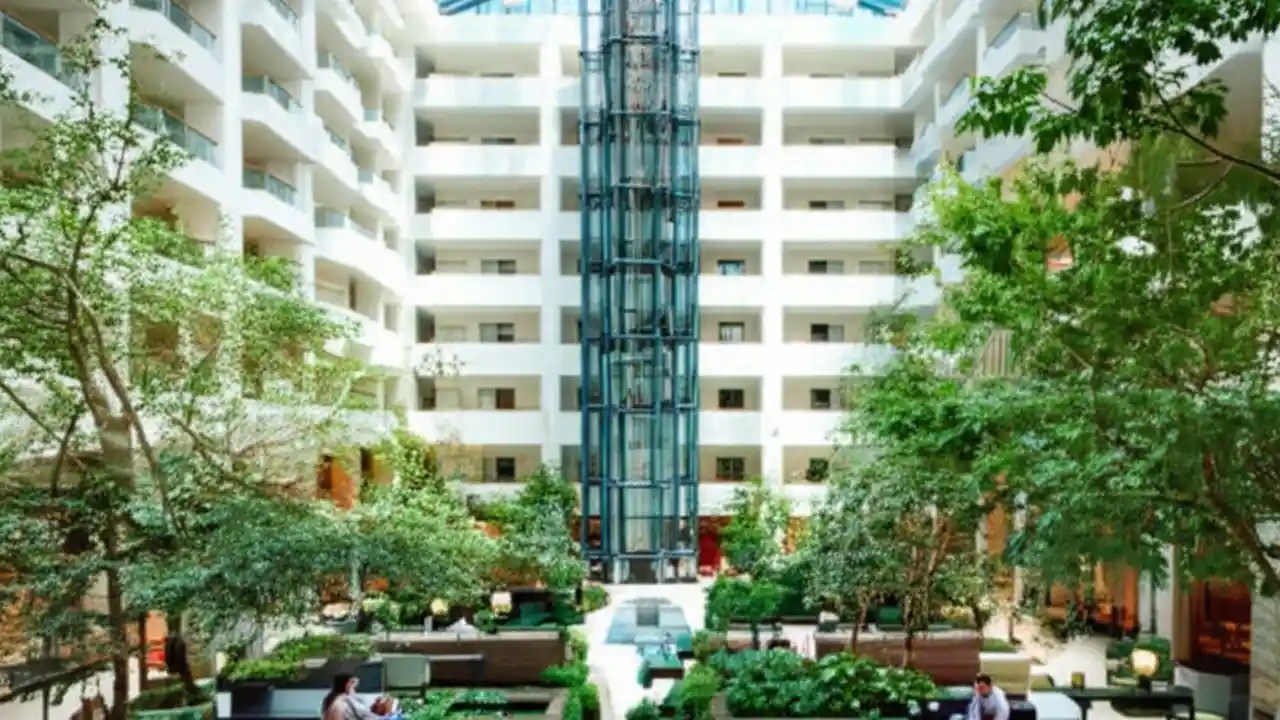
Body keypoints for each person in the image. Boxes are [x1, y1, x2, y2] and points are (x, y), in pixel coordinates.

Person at [322, 673, 398, 720]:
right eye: (354, 688)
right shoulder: (347, 702)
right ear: (348, 685)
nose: (355, 693)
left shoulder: (331, 701)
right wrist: (389, 713)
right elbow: (368, 716)